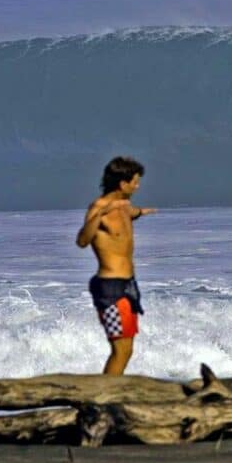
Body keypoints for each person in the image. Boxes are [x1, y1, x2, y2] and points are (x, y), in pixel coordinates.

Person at [76, 157, 156, 375]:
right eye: (135, 182)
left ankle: (110, 394)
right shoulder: (99, 207)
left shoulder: (125, 207)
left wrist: (142, 212)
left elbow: (130, 215)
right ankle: (104, 399)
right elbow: (82, 240)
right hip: (110, 287)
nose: (137, 186)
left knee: (127, 349)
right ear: (123, 183)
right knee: (121, 350)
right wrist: (100, 215)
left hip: (128, 285)